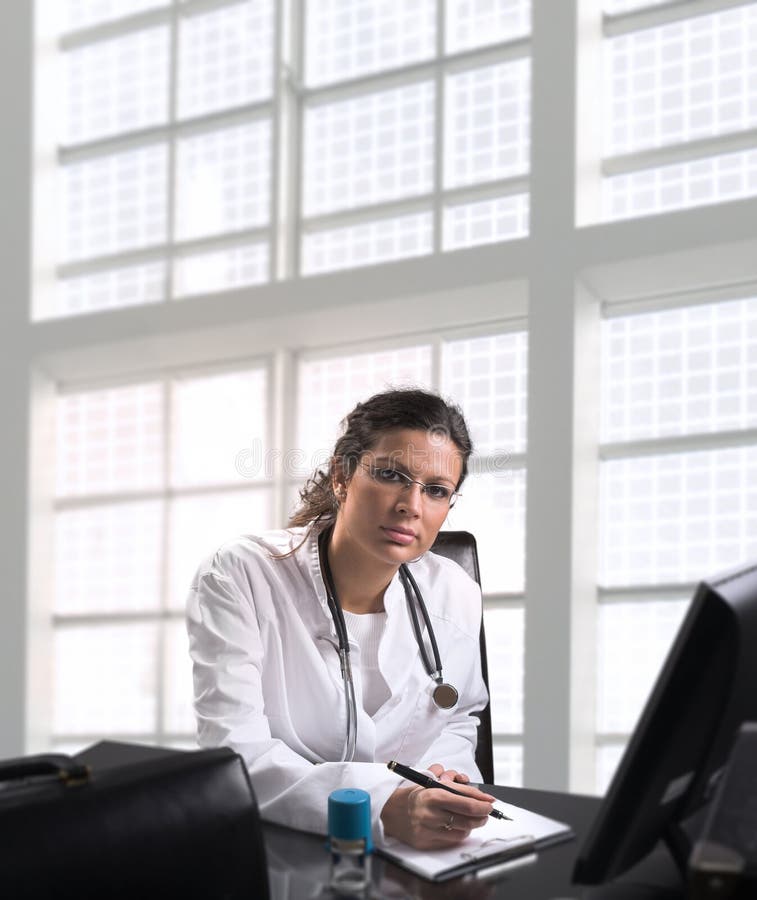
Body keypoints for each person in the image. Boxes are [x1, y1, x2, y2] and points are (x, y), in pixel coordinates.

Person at [186, 387, 496, 849]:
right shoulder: (239, 575)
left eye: (436, 490)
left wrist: (441, 780)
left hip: (422, 847)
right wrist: (384, 806)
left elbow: (457, 719)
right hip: (278, 843)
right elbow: (234, 755)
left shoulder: (455, 593)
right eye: (391, 475)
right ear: (341, 476)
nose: (412, 504)